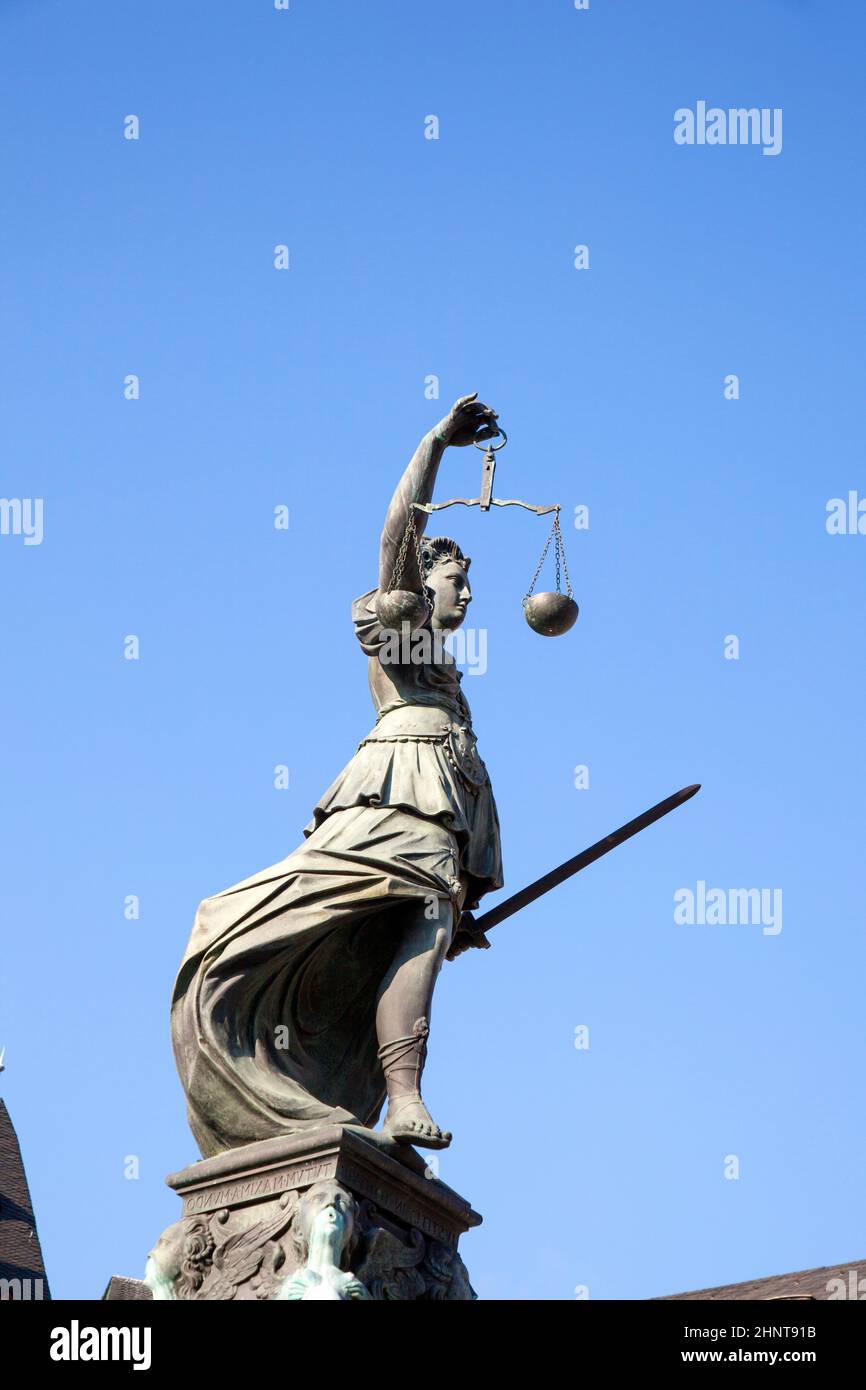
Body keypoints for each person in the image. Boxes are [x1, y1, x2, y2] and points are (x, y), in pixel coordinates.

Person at [171, 394, 504, 1155]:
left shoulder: (450, 677)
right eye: (458, 577)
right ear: (425, 580)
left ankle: (399, 1098)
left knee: (418, 926)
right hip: (395, 801)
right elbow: (397, 535)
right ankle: (406, 1095)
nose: (469, 592)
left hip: (436, 815)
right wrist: (436, 445)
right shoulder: (403, 622)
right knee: (419, 914)